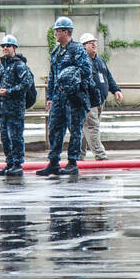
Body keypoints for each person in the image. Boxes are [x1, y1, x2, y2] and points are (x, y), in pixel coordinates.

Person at [39, 16, 94, 177]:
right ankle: (54, 162)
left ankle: (72, 162)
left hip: (73, 97)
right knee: (55, 129)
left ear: (66, 32)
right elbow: (52, 75)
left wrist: (72, 81)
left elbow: (86, 71)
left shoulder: (77, 49)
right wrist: (50, 97)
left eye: (57, 30)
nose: (55, 33)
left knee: (75, 129)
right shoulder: (56, 52)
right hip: (58, 97)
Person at [0, 34, 31, 177]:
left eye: (8, 46)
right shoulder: (1, 67)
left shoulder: (19, 65)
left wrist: (9, 92)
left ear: (14, 48)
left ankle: (17, 164)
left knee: (15, 137)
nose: (5, 48)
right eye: (3, 46)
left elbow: (26, 84)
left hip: (15, 108)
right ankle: (9, 163)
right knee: (5, 137)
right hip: (2, 109)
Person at [78, 32, 123, 161]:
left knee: (84, 128)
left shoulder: (99, 60)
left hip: (99, 101)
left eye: (94, 42)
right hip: (88, 101)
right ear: (83, 46)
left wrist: (116, 90)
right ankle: (100, 155)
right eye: (89, 42)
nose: (93, 44)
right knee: (92, 127)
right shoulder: (81, 62)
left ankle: (78, 155)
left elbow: (108, 76)